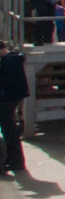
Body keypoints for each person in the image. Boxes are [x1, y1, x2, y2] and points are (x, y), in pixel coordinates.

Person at [0, 40, 26, 177]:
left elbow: (6, 81)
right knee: (9, 129)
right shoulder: (13, 59)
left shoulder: (9, 61)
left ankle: (15, 160)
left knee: (9, 129)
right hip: (13, 97)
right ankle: (14, 160)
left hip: (9, 98)